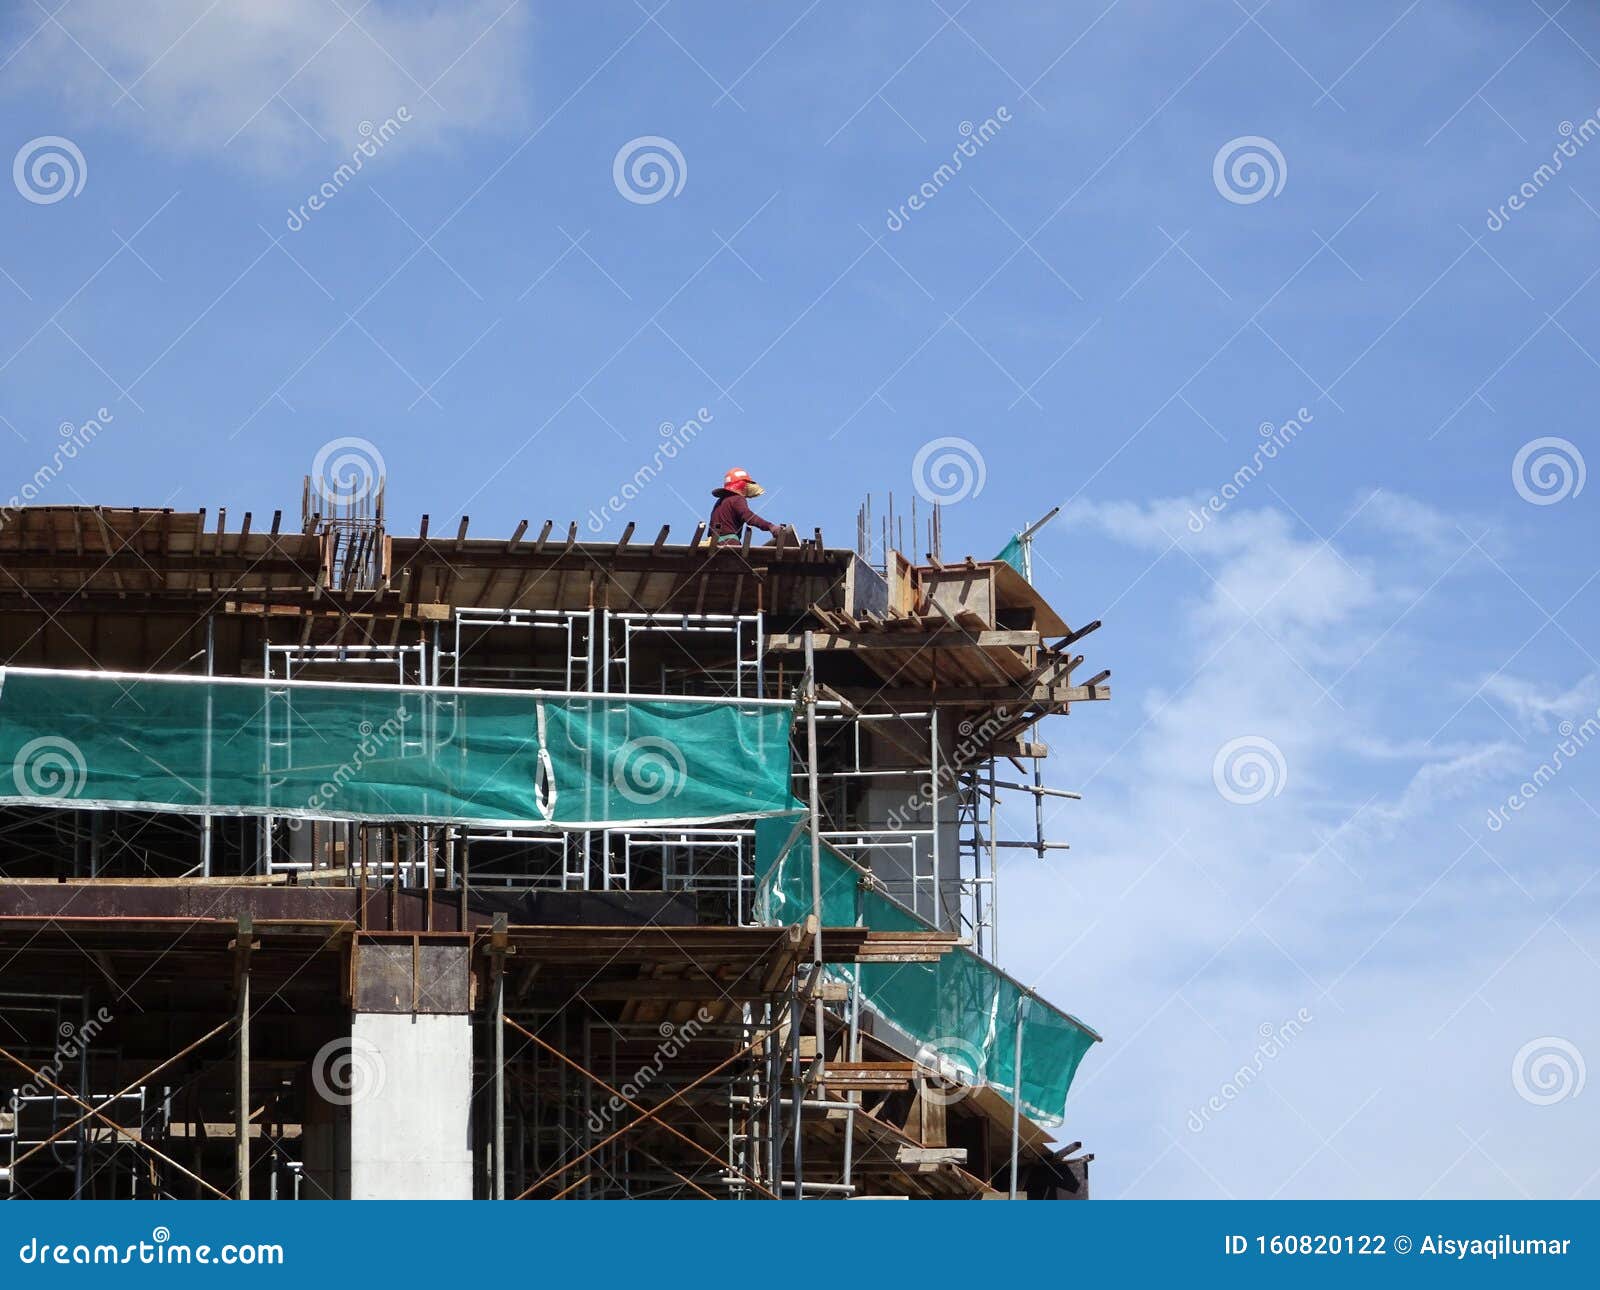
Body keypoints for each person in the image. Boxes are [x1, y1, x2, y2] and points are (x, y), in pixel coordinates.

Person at [707, 468, 786, 544]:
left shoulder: (719, 503)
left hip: (713, 545)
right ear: (742, 484)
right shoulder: (737, 499)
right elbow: (748, 516)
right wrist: (770, 527)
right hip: (730, 545)